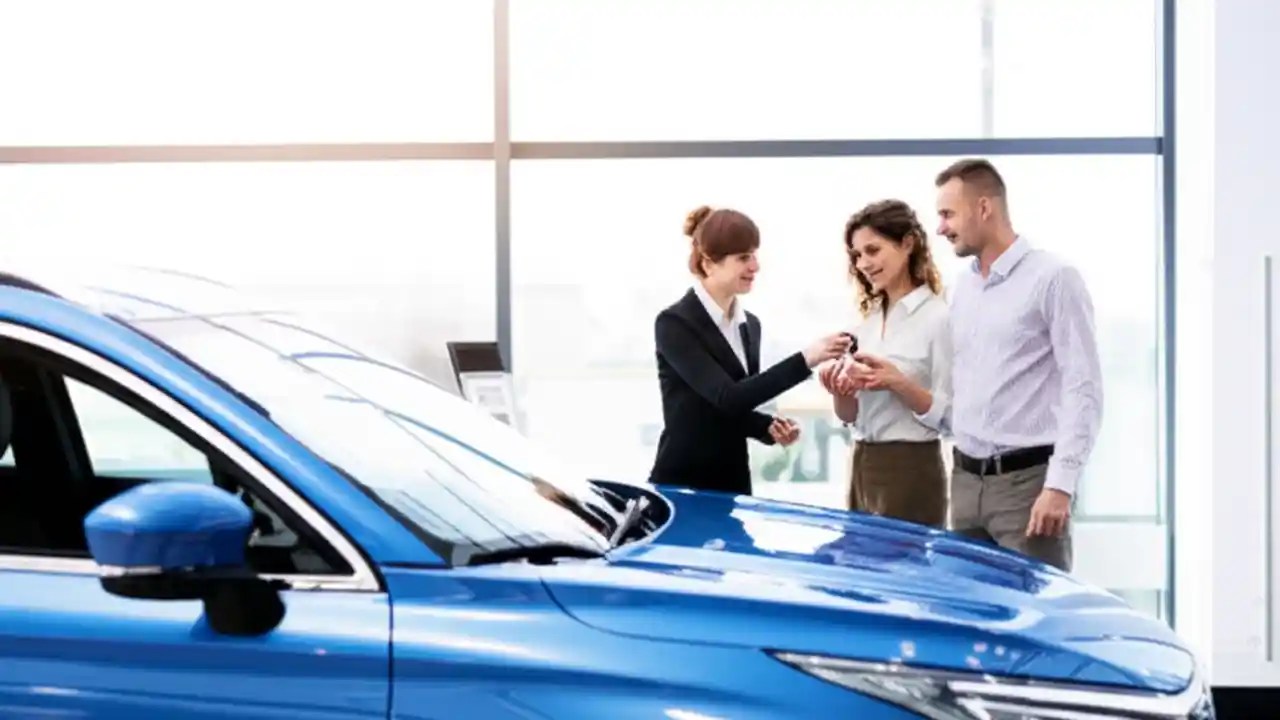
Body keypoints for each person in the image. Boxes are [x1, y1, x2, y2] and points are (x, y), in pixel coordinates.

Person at [934, 158, 1103, 572]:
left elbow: (1083, 387)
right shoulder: (964, 288)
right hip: (965, 482)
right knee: (970, 623)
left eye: (948, 213)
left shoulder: (1053, 278)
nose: (941, 227)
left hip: (1027, 489)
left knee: (1036, 622)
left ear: (985, 208)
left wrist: (1060, 486)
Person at [649, 205, 852, 495]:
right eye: (743, 257)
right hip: (683, 485)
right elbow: (727, 397)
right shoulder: (674, 323)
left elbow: (728, 407)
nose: (755, 266)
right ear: (708, 264)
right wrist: (807, 358)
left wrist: (764, 427)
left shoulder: (750, 325)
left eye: (754, 255)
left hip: (732, 482)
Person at [815, 199, 952, 528]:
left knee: (904, 575)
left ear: (907, 244)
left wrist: (897, 382)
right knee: (861, 575)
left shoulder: (939, 318)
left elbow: (950, 418)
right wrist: (839, 391)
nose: (862, 263)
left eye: (872, 251)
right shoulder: (867, 321)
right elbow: (851, 417)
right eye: (857, 255)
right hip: (862, 462)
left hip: (911, 467)